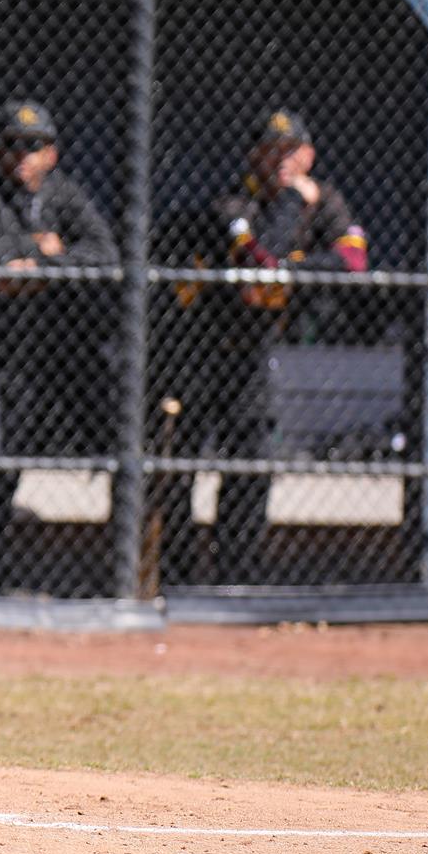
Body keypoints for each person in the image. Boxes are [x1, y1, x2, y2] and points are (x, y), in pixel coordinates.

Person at [175, 109, 368, 579]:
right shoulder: (233, 204)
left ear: (308, 154)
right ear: (254, 155)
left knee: (252, 460)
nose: (282, 161)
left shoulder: (324, 199)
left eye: (291, 151)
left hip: (252, 352)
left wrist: (289, 271)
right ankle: (174, 572)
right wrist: (289, 210)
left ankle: (236, 572)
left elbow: (355, 261)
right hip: (195, 349)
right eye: (271, 151)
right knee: (179, 466)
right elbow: (257, 267)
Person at [0, 100, 118, 595]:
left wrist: (37, 264)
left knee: (9, 470)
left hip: (32, 360)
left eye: (34, 146)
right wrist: (45, 253)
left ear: (52, 153)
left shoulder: (64, 195)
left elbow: (103, 255)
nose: (23, 155)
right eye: (14, 145)